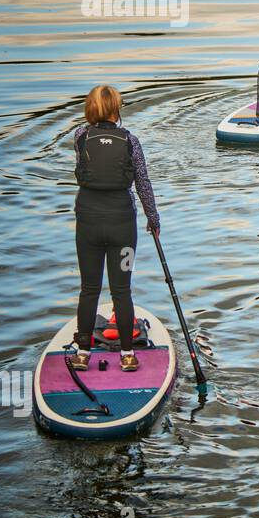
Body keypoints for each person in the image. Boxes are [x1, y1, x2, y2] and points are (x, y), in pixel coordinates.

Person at [71, 85, 161, 372]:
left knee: (89, 289)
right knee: (121, 291)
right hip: (122, 224)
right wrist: (153, 219)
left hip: (88, 223)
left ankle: (83, 353)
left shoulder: (80, 137)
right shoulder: (131, 141)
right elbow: (143, 184)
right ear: (116, 110)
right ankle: (126, 354)